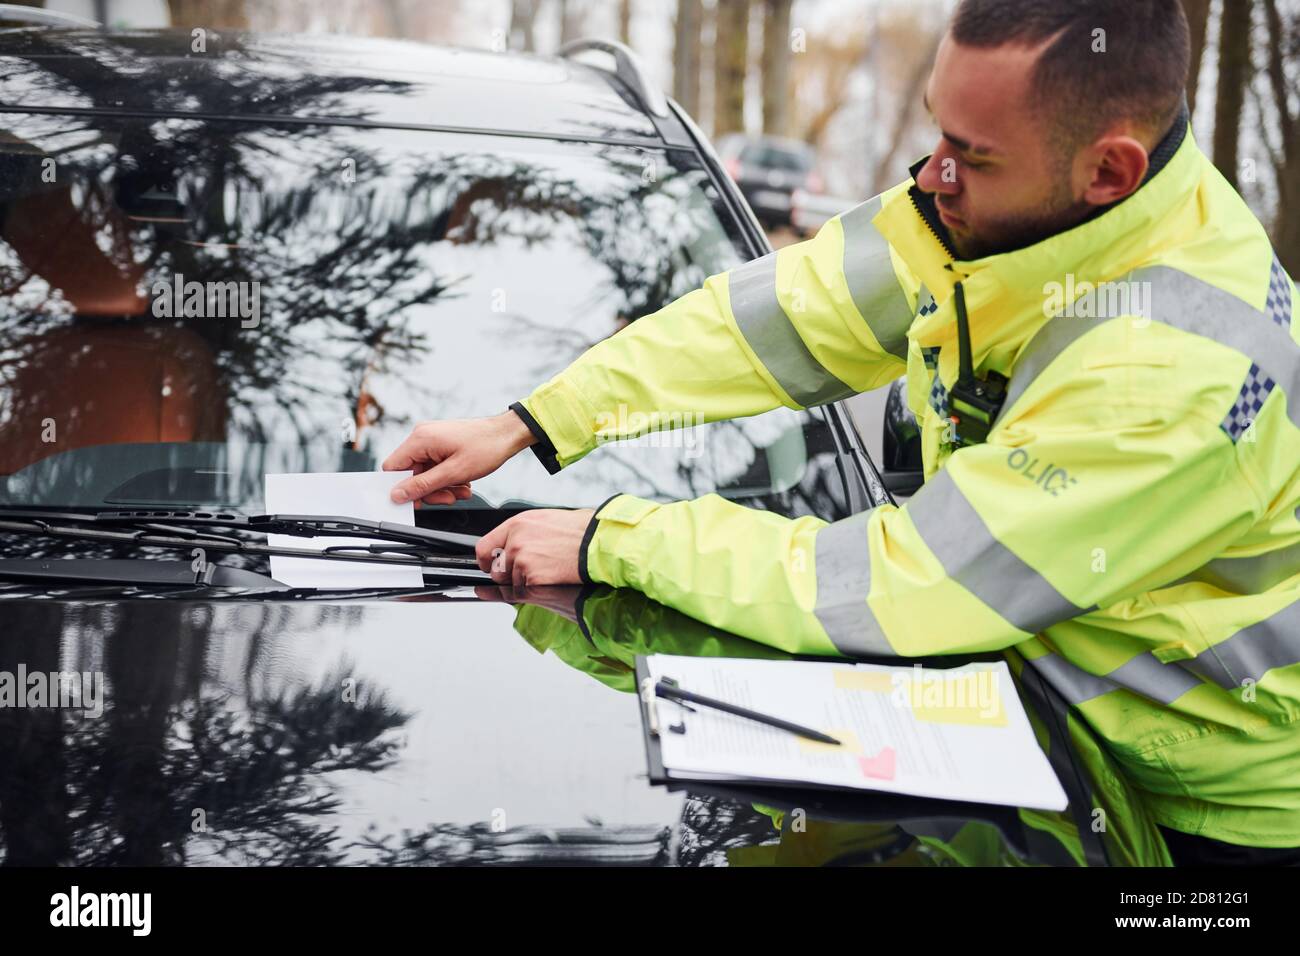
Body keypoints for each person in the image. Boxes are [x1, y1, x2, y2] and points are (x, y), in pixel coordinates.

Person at [384, 0, 1300, 863]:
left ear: (1108, 171)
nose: (932, 176)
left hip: (1219, 809)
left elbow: (908, 584)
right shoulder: (1008, 217)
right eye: (938, 131)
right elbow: (776, 319)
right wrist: (535, 421)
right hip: (1066, 732)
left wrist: (607, 537)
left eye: (972, 156)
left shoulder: (1173, 369)